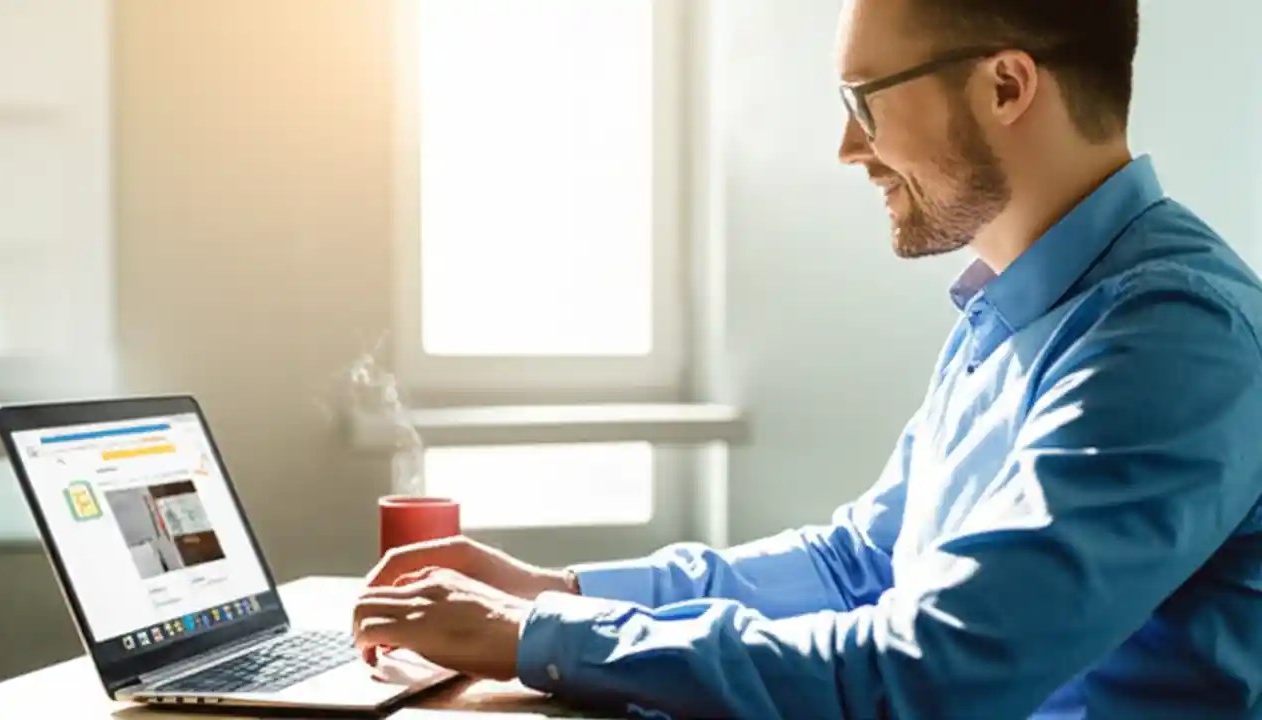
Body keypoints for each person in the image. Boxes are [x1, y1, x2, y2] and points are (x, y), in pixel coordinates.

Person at [352, 0, 1262, 717]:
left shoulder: (1172, 336)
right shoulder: (1011, 311)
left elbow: (929, 670)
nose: (848, 148)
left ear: (1006, 86)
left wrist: (542, 636)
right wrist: (559, 590)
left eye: (865, 100)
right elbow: (857, 564)